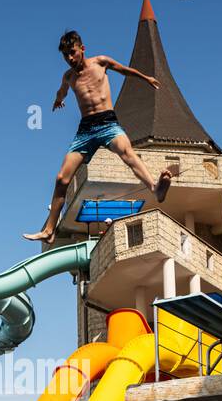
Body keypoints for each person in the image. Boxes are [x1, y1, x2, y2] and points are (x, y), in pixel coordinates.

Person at [23, 30, 173, 243]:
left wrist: (145, 77)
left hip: (108, 123)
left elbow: (124, 70)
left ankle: (155, 189)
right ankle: (49, 229)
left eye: (72, 53)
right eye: (65, 56)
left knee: (127, 152)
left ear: (82, 49)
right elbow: (62, 91)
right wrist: (58, 100)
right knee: (61, 179)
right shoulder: (68, 76)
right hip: (85, 130)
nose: (69, 59)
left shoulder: (101, 62)